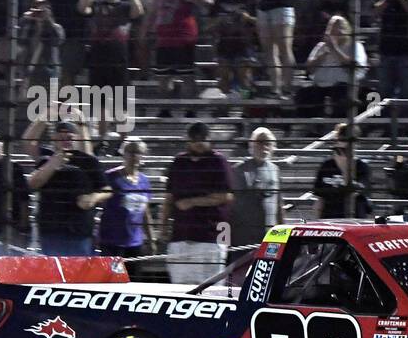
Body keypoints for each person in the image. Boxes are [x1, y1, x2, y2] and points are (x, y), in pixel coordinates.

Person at [24, 117, 111, 257]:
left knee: (79, 276)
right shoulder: (46, 159)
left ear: (76, 138)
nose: (65, 141)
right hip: (51, 232)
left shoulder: (88, 161)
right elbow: (32, 184)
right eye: (61, 137)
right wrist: (54, 163)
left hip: (80, 232)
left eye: (69, 137)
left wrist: (93, 198)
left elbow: (106, 189)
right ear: (54, 139)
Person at [162, 121, 237, 286]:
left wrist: (192, 201)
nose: (200, 143)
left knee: (211, 292)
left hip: (211, 238)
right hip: (180, 237)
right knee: (180, 290)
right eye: (196, 139)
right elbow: (169, 197)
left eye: (203, 139)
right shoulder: (179, 162)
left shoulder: (218, 161)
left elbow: (226, 196)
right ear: (188, 141)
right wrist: (163, 227)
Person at [147, 0, 213, 103]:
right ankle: (165, 110)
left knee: (187, 76)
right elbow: (152, 11)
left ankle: (190, 110)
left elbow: (209, 2)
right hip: (164, 39)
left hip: (184, 39)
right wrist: (148, 30)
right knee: (163, 77)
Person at [98, 137, 157, 270]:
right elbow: (100, 204)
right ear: (123, 153)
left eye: (138, 152)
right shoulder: (111, 177)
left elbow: (145, 211)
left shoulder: (144, 181)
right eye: (130, 152)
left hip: (135, 242)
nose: (134, 156)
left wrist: (151, 239)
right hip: (112, 241)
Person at [298, 15, 368, 126]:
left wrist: (335, 49)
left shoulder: (355, 46)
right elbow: (309, 69)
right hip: (320, 87)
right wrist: (324, 53)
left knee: (341, 95)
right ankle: (311, 128)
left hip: (343, 87)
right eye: (331, 27)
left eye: (338, 28)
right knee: (303, 93)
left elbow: (354, 68)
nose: (335, 31)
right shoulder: (321, 46)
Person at [232, 127, 285, 249]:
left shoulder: (275, 170)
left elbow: (279, 205)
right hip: (244, 239)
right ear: (251, 145)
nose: (264, 147)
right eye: (260, 142)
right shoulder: (240, 170)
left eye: (268, 143)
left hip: (270, 237)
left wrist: (283, 234)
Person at [313, 124, 372, 219]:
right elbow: (320, 199)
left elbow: (355, 191)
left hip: (354, 218)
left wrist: (344, 166)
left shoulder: (361, 166)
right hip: (329, 218)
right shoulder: (326, 165)